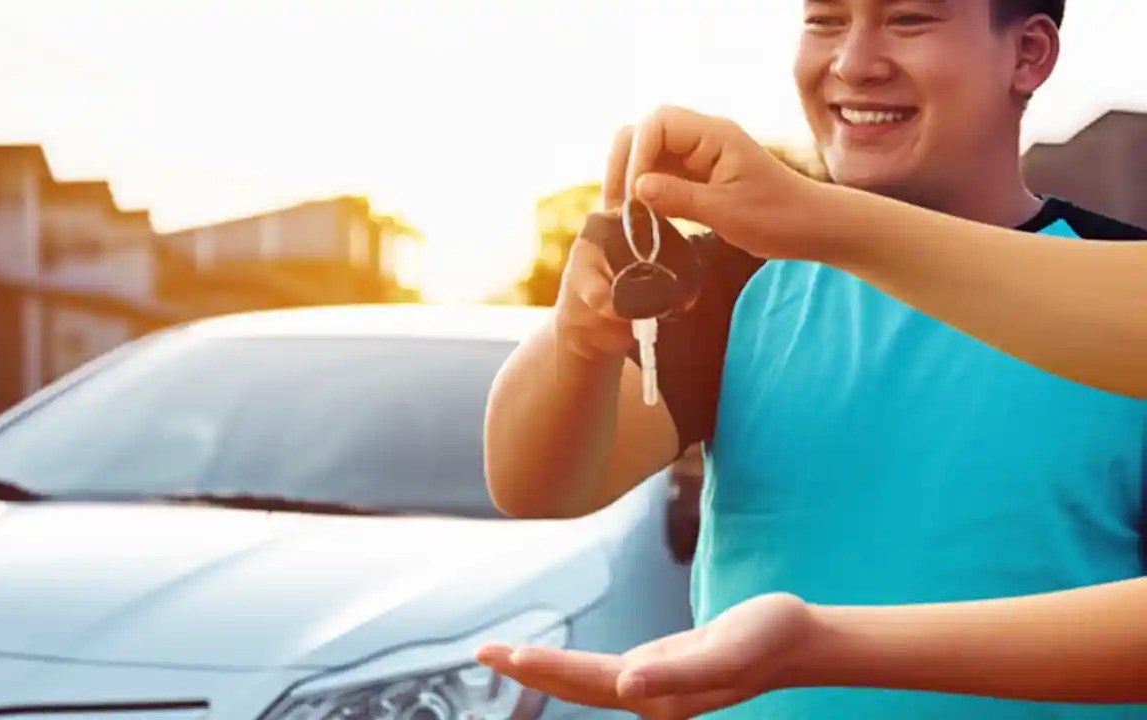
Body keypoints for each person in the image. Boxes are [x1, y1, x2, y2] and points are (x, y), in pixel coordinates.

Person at [482, 2, 1147, 719]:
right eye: (825, 20)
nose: (854, 62)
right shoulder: (737, 282)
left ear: (1028, 55)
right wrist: (579, 340)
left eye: (910, 19)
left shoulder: (1114, 289)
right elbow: (536, 485)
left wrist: (819, 644)